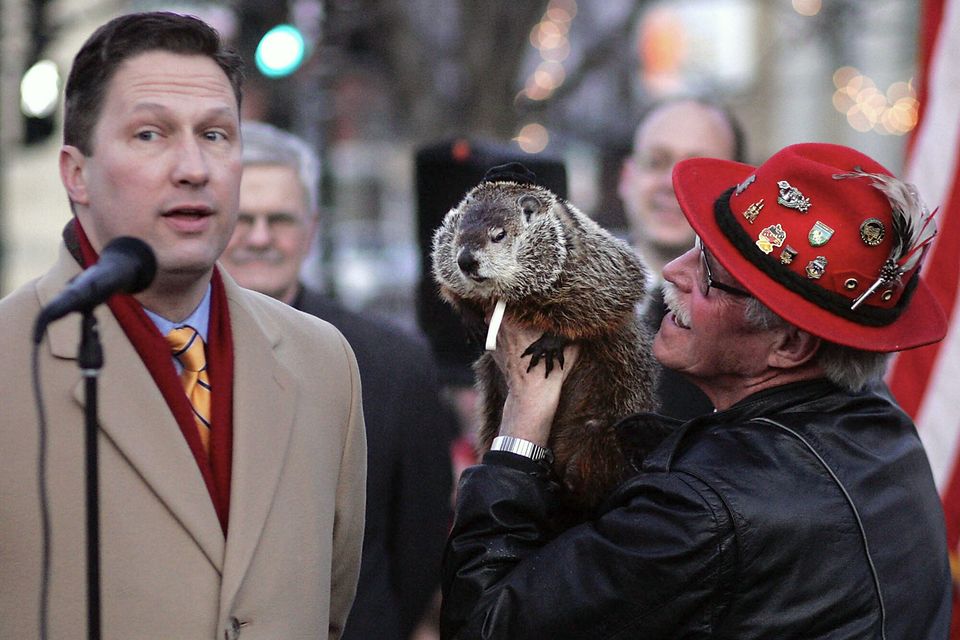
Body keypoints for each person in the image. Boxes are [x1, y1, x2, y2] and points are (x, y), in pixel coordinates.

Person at [440, 143, 951, 638]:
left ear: (790, 345)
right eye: (698, 245)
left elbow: (485, 623)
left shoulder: (700, 513)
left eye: (710, 274)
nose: (673, 271)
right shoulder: (882, 424)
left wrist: (521, 426)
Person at [0, 13, 365, 639]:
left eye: (216, 135)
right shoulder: (14, 356)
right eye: (150, 134)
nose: (194, 167)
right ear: (76, 173)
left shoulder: (322, 362)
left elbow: (330, 609)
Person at [220, 121, 454, 640]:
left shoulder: (394, 363)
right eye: (242, 219)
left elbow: (419, 540)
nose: (260, 237)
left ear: (312, 228)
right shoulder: (174, 353)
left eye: (280, 219)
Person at [618, 96, 747, 420]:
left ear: (742, 189)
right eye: (655, 162)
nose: (670, 183)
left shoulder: (761, 324)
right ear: (626, 177)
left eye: (697, 169)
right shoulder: (557, 292)